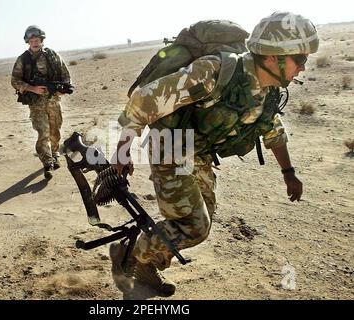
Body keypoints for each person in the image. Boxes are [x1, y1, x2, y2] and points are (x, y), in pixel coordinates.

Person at [110, 12, 319, 296]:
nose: (303, 68)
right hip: (171, 145)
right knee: (194, 227)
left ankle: (147, 262)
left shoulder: (268, 90)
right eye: (301, 59)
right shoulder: (216, 71)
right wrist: (123, 152)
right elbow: (144, 100)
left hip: (198, 152)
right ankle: (130, 255)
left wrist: (289, 173)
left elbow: (272, 129)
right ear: (274, 57)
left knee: (202, 216)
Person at [11, 25, 72, 179]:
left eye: (37, 39)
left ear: (41, 40)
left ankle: (55, 153)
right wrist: (32, 88)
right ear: (28, 42)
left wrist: (61, 90)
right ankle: (47, 163)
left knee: (55, 130)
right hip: (36, 103)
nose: (35, 42)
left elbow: (65, 75)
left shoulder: (52, 56)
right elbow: (14, 80)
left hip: (53, 100)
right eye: (32, 40)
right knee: (43, 132)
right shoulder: (23, 59)